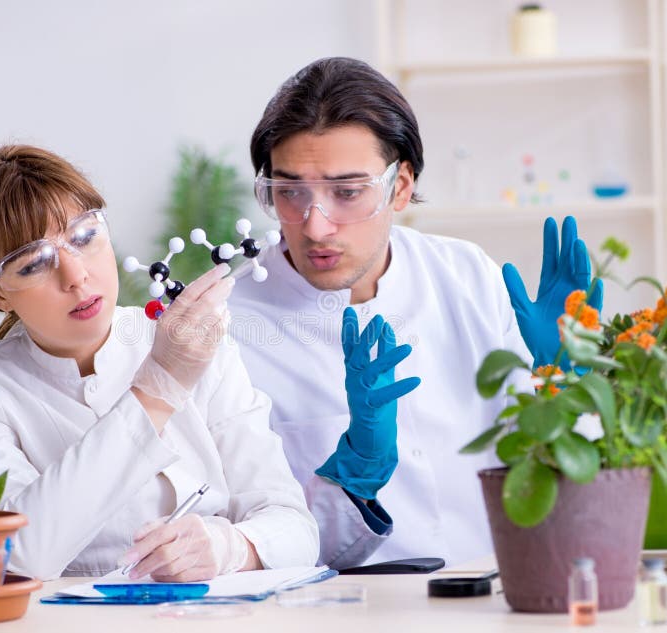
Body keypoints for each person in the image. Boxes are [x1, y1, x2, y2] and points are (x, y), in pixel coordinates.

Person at [228, 57, 601, 569]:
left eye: (347, 192)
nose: (315, 226)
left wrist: (563, 381)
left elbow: (555, 471)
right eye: (289, 192)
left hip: (497, 593)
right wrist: (354, 473)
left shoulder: (465, 274)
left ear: (400, 185)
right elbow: (250, 545)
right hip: (344, 612)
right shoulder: (229, 323)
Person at [0, 144, 319, 581]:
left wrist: (231, 548)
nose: (75, 276)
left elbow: (296, 529)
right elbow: (18, 555)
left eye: (84, 237)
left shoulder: (189, 340)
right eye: (35, 263)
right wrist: (157, 389)